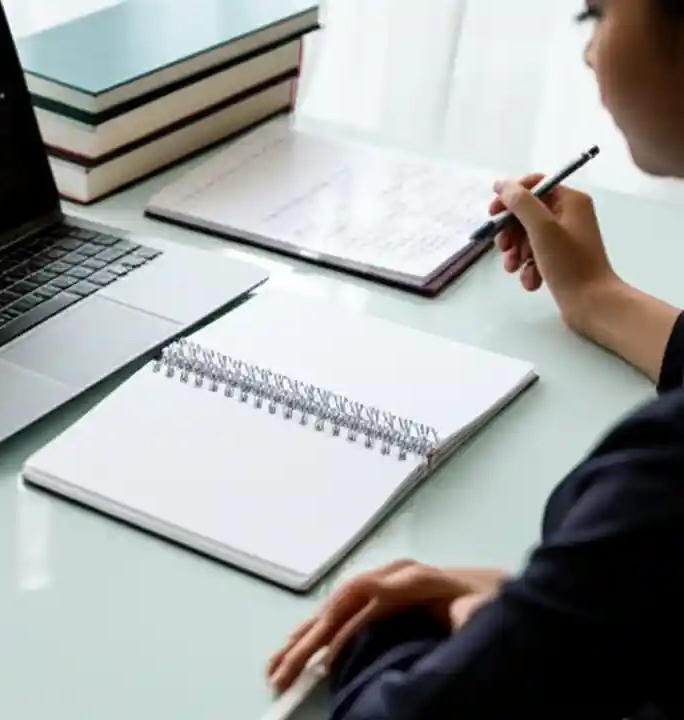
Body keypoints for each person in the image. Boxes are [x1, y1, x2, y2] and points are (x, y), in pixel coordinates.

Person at [265, 1, 684, 718]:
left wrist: (404, 635)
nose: (589, 53)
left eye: (598, 12)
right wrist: (596, 296)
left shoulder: (660, 482)